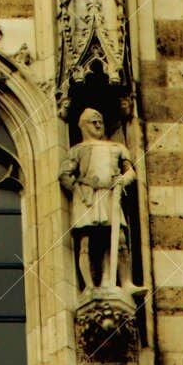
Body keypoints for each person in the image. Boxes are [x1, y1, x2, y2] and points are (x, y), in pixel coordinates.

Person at [59, 108, 136, 291]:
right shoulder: (77, 150)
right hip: (87, 199)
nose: (99, 125)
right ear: (84, 126)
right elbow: (64, 174)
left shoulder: (116, 148)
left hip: (110, 196)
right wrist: (79, 190)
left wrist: (123, 180)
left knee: (119, 239)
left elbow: (130, 171)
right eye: (94, 122)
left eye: (100, 121)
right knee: (87, 241)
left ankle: (123, 282)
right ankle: (89, 286)